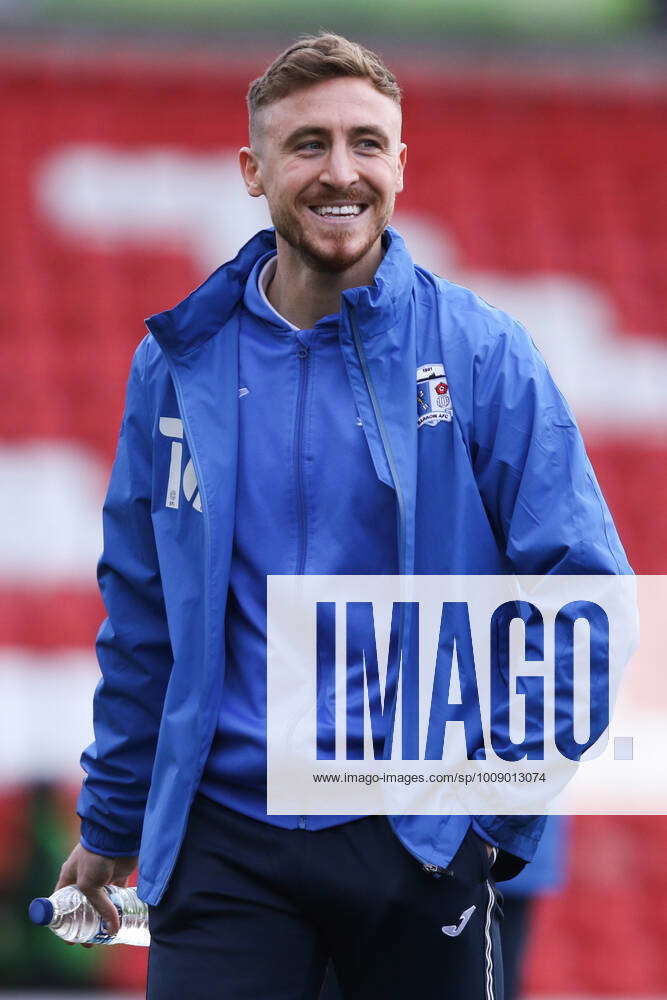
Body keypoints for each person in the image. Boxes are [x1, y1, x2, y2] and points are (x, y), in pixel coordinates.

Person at [54, 33, 631, 999]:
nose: (340, 171)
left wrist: (485, 818)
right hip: (225, 842)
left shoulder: (483, 356)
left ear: (401, 165)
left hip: (418, 842)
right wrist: (112, 824)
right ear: (253, 170)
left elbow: (588, 606)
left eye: (367, 144)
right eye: (307, 144)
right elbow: (143, 619)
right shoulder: (176, 368)